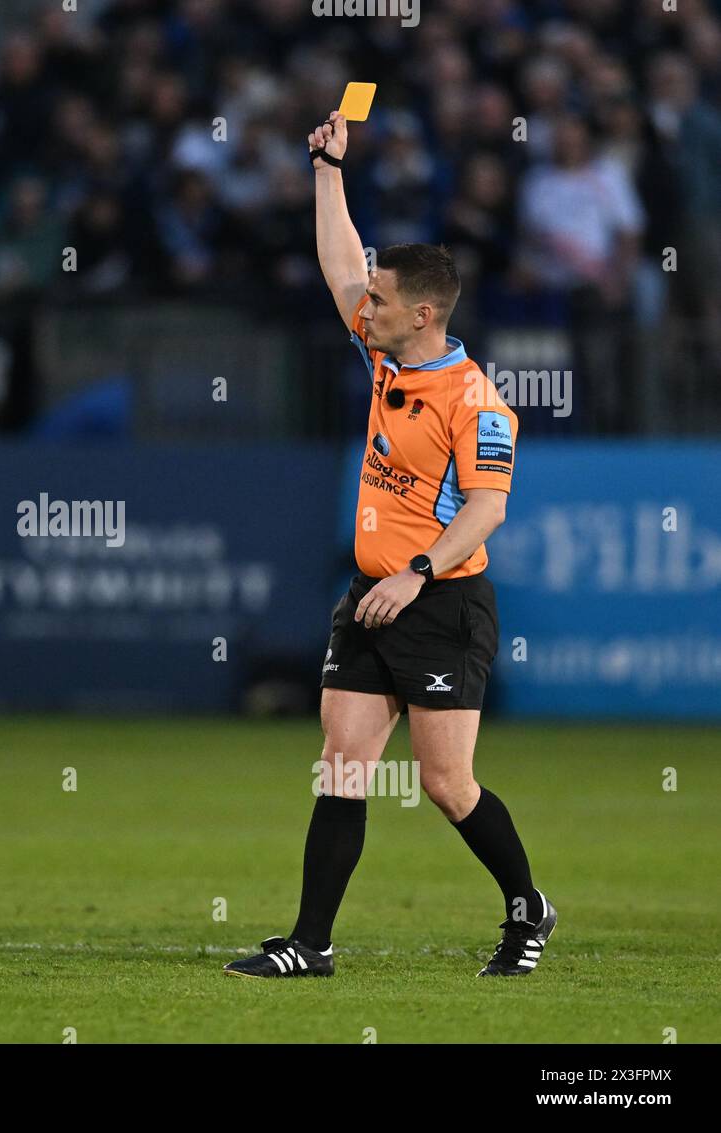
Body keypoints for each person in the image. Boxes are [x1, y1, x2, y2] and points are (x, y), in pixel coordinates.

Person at [224, 111, 555, 980]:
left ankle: (528, 909)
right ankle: (311, 943)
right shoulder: (388, 358)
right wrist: (328, 169)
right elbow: (340, 260)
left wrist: (415, 574)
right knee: (340, 769)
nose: (358, 303)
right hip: (374, 595)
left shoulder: (476, 401)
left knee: (448, 785)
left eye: (376, 297)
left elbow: (485, 512)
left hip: (440, 602)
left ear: (421, 312)